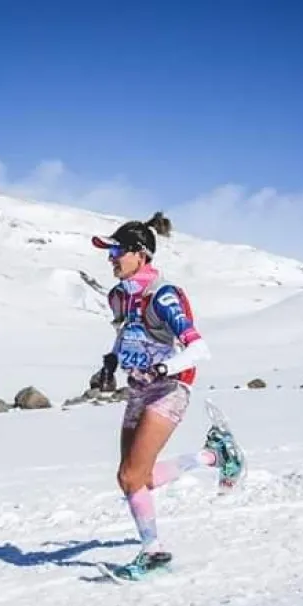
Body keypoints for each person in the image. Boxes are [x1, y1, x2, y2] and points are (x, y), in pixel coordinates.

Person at [91, 213, 245, 580]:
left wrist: (162, 370)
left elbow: (199, 349)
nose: (110, 258)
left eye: (116, 251)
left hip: (171, 387)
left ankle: (154, 553)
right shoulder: (119, 296)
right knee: (132, 478)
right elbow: (125, 334)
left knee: (131, 475)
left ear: (139, 254)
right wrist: (111, 363)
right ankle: (214, 454)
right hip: (139, 386)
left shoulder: (163, 295)